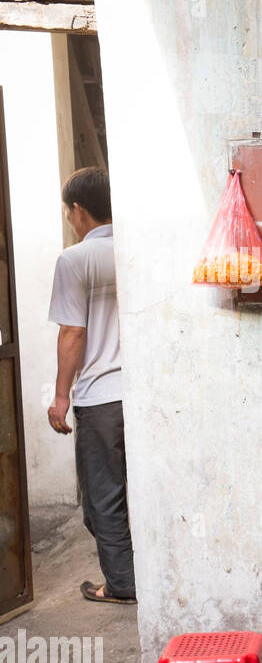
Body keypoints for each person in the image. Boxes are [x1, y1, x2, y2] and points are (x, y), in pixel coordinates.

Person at [46, 166, 135, 605]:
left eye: (68, 213)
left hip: (100, 397)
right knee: (135, 490)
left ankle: (122, 584)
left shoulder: (74, 259)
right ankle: (136, 574)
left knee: (103, 497)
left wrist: (61, 396)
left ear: (80, 210)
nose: (70, 220)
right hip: (140, 395)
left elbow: (72, 334)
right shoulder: (136, 250)